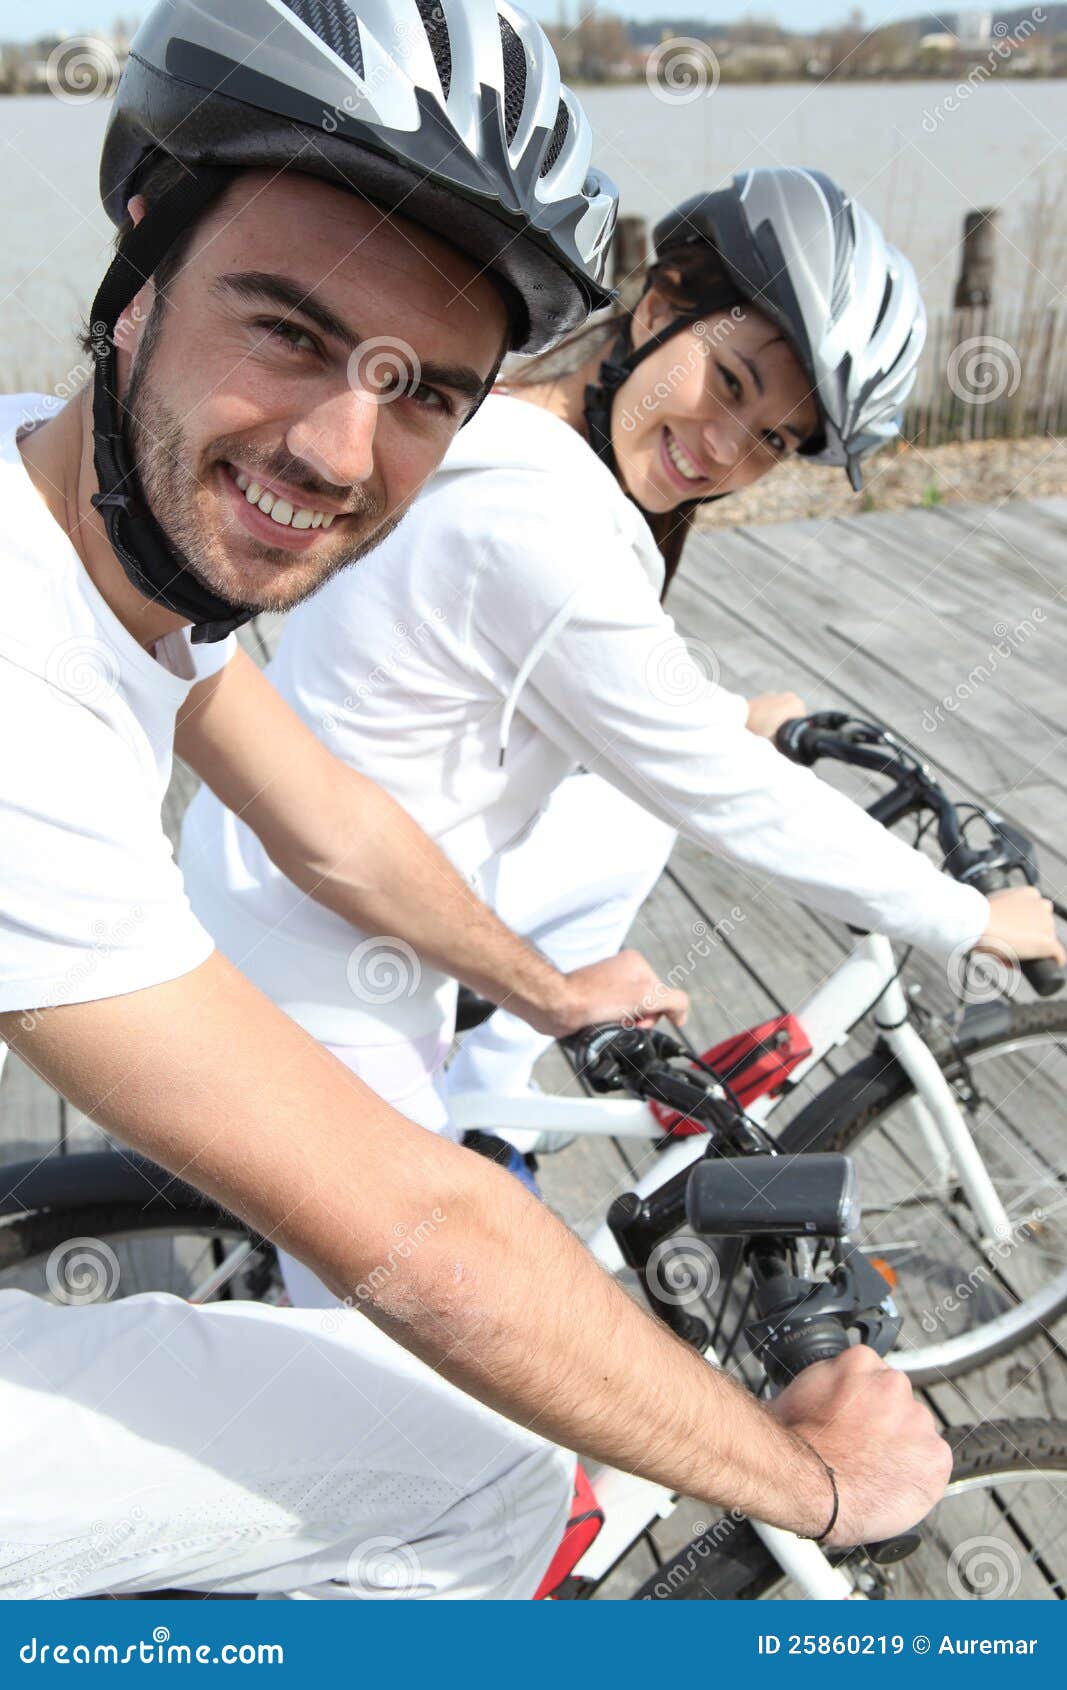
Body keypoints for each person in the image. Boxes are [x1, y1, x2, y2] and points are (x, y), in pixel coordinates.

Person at [0, 2, 953, 1599]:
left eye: (426, 388)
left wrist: (548, 987)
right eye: (289, 331)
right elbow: (424, 1237)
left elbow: (329, 822)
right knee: (480, 1465)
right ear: (138, 252)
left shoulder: (95, 552)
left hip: (373, 991)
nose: (334, 446)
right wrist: (809, 1476)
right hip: (315, 1019)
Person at [181, 165, 1063, 1149]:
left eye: (772, 437)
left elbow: (617, 689)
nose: (722, 451)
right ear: (659, 305)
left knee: (623, 810)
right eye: (728, 382)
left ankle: (492, 1087)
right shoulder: (538, 527)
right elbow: (720, 786)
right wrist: (964, 918)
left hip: (269, 872)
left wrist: (730, 716)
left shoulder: (504, 418)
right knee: (422, 1295)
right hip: (325, 974)